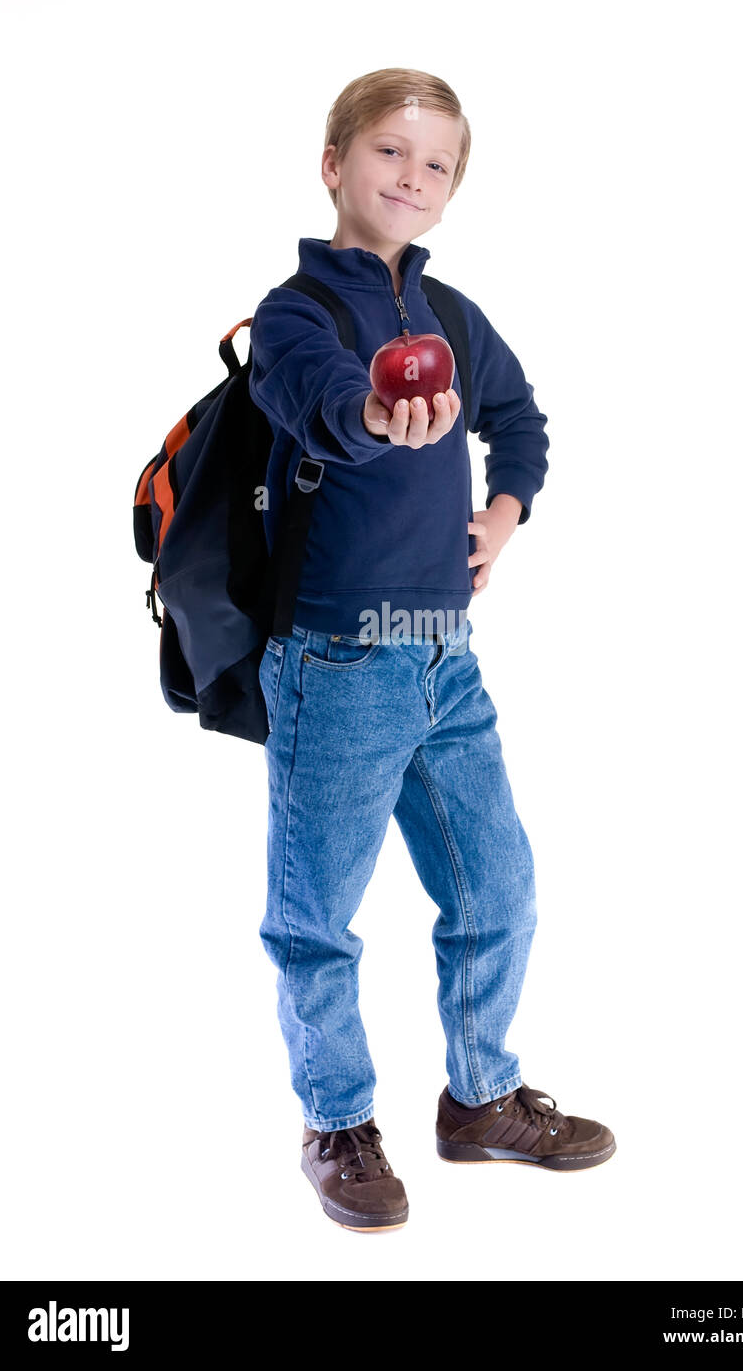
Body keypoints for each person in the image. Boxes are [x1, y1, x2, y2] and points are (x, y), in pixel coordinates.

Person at [248, 68, 616, 1233]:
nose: (411, 177)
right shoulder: (299, 315)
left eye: (436, 163)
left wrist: (503, 512)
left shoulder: (455, 317)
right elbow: (315, 400)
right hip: (337, 662)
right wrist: (371, 414)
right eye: (388, 154)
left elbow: (524, 420)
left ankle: (482, 1095)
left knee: (497, 883)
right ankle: (339, 1121)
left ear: (453, 192)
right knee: (317, 916)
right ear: (334, 165)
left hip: (442, 654)